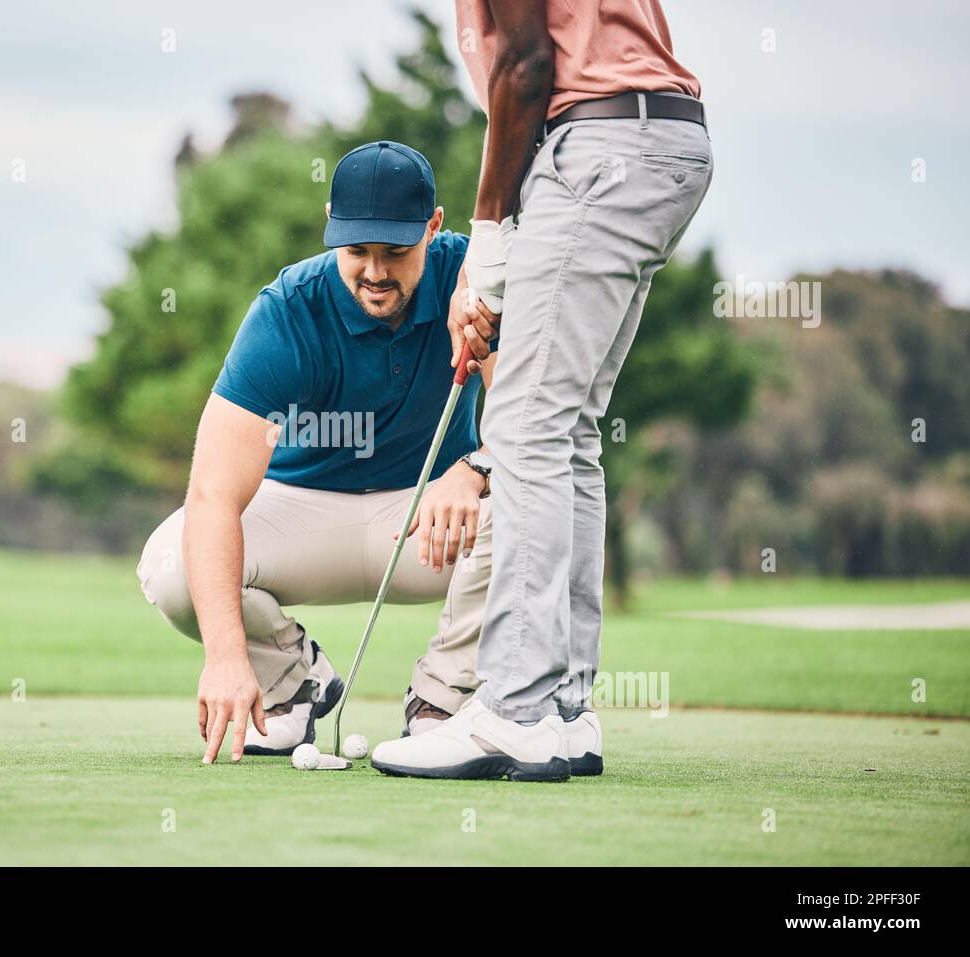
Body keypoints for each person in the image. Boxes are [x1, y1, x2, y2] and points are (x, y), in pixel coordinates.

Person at [371, 0, 713, 781]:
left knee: (523, 429)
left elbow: (526, 67)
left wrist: (487, 239)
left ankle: (514, 709)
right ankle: (564, 711)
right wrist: (503, 246)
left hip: (601, 145)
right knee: (569, 433)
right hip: (650, 142)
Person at [137, 141, 500, 764]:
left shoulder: (472, 280)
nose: (376, 273)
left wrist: (476, 469)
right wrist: (224, 658)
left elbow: (536, 427)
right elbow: (213, 495)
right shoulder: (286, 311)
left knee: (535, 512)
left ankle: (440, 700)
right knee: (172, 566)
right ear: (331, 228)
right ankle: (289, 685)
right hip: (298, 511)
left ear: (434, 227)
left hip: (428, 518)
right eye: (358, 251)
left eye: (397, 252)